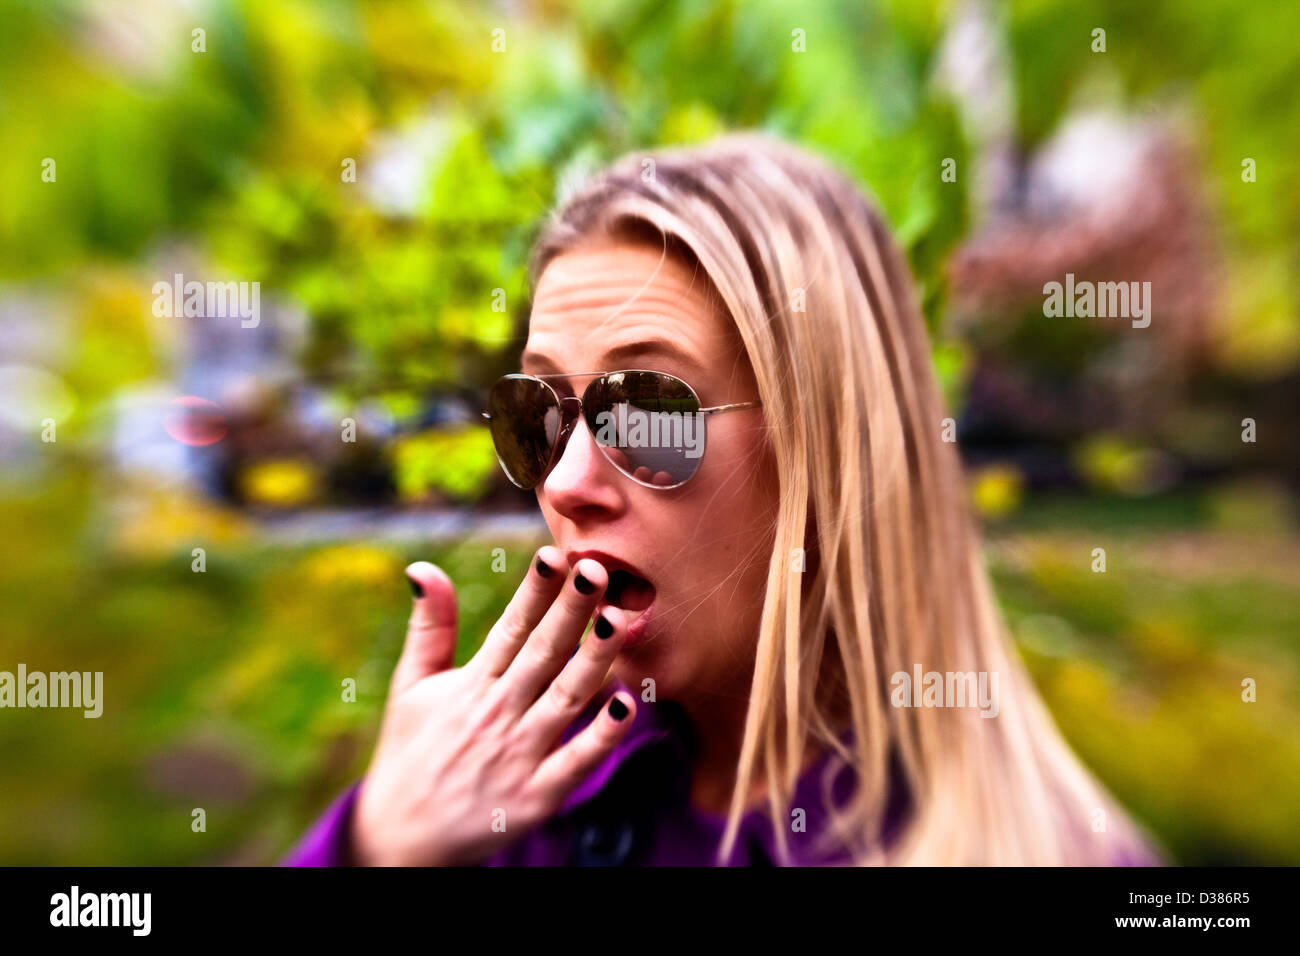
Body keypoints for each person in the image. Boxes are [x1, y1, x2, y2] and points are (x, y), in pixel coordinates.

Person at [284, 134, 1157, 866]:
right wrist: (373, 844)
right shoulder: (519, 804)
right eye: (536, 416)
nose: (566, 483)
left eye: (650, 411)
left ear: (828, 450)